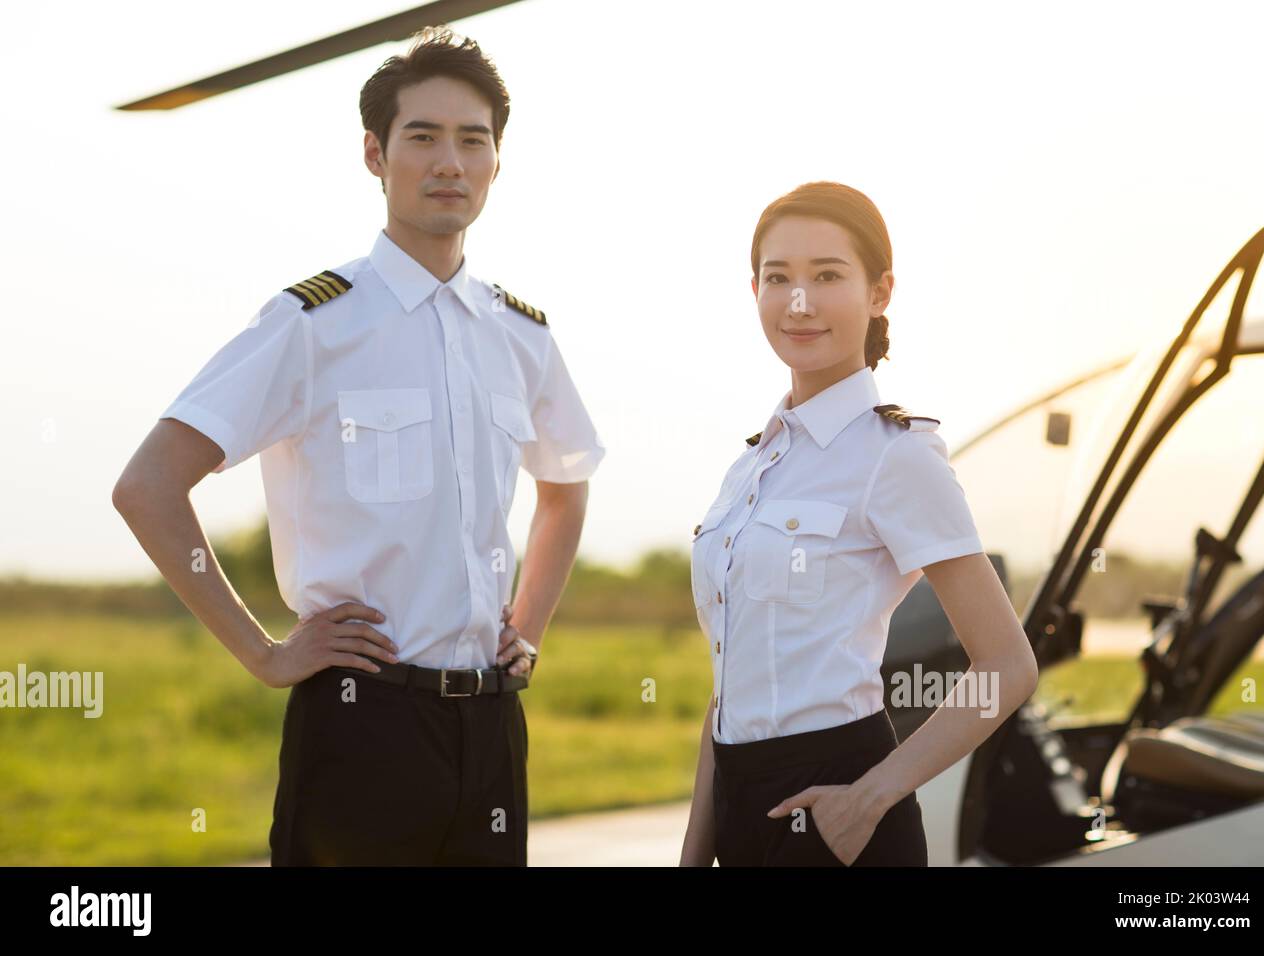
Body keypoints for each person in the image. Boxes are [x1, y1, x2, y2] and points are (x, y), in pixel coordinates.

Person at [112, 27, 605, 866]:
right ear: (375, 154)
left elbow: (565, 484)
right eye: (422, 136)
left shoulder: (521, 335)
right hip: (360, 722)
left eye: (472, 140)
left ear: (496, 163)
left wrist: (530, 624)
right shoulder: (315, 323)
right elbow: (149, 485)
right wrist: (264, 653)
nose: (449, 161)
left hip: (491, 725)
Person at [678, 181, 1038, 867]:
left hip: (839, 812)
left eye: (827, 276)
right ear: (753, 289)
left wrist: (870, 798)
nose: (799, 301)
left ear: (880, 292)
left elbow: (1008, 665)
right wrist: (697, 852)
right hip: (737, 807)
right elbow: (731, 684)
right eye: (778, 277)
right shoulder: (751, 468)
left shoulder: (896, 455)